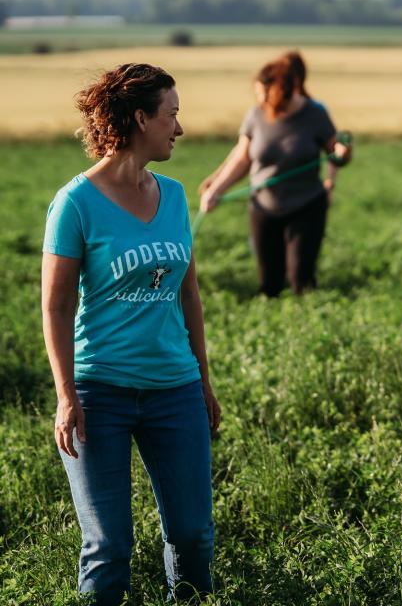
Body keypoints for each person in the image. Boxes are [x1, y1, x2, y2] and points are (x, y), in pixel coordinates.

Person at [42, 63, 220, 605]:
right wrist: (67, 396)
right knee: (108, 546)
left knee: (192, 537)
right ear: (140, 118)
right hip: (101, 394)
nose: (179, 129)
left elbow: (189, 295)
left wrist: (204, 383)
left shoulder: (174, 195)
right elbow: (55, 304)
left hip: (176, 390)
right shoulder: (75, 203)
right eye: (172, 116)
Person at [199, 51, 351, 296]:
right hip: (263, 208)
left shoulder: (315, 114)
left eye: (264, 93)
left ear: (281, 90)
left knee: (301, 277)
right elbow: (241, 158)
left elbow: (336, 154)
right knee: (269, 284)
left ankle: (305, 324)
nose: (260, 100)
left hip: (307, 206)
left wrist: (342, 157)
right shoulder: (256, 115)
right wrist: (215, 190)